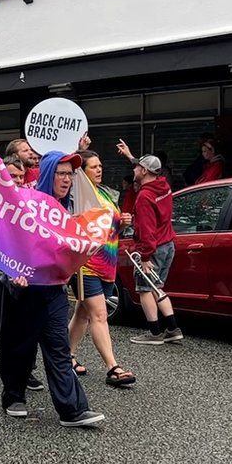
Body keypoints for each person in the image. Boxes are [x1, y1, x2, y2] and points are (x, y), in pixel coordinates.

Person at [0, 151, 104, 428]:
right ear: (48, 174)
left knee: (58, 348)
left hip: (54, 289)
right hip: (24, 287)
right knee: (19, 345)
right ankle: (13, 395)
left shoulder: (69, 208)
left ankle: (72, 409)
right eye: (61, 173)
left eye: (71, 174)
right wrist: (11, 273)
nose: (67, 179)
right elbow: (6, 237)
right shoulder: (24, 202)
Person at [0, 157, 44, 391]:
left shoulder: (30, 201)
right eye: (12, 176)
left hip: (24, 272)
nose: (17, 181)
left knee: (27, 322)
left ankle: (25, 370)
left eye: (21, 177)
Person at [67, 151, 136, 387]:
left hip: (108, 263)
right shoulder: (78, 194)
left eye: (100, 165)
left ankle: (67, 356)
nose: (99, 170)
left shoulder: (106, 192)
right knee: (99, 314)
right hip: (86, 266)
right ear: (82, 172)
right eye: (93, 167)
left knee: (83, 314)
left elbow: (110, 226)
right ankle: (113, 367)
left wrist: (122, 221)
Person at [126, 153, 182, 345]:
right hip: (168, 244)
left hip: (154, 248)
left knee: (144, 289)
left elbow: (147, 230)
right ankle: (173, 329)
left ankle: (154, 332)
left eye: (137, 167)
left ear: (144, 171)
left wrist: (145, 256)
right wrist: (130, 156)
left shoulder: (144, 196)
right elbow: (145, 166)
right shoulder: (163, 186)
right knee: (157, 287)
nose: (134, 169)